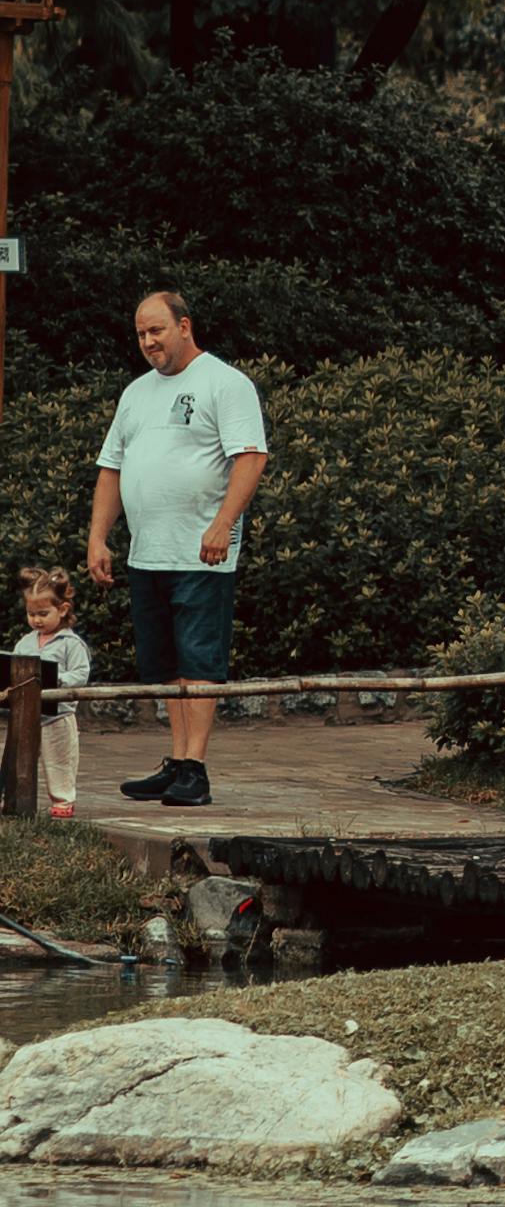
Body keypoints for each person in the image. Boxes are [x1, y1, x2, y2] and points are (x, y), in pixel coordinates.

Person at [90, 286, 267, 813]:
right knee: (165, 663)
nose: (148, 341)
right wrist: (98, 536)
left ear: (184, 326)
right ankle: (175, 761)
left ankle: (197, 767)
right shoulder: (136, 393)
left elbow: (251, 458)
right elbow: (112, 468)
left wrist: (223, 524)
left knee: (198, 659)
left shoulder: (225, 383)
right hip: (148, 552)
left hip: (201, 552)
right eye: (141, 333)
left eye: (157, 330)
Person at [12, 559, 92, 814]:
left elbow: (81, 674)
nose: (36, 620)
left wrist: (59, 679)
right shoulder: (26, 642)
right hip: (27, 713)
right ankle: (14, 796)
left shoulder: (71, 643)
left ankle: (63, 799)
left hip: (58, 713)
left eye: (43, 614)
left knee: (60, 759)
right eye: (31, 614)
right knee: (19, 757)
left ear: (63, 609)